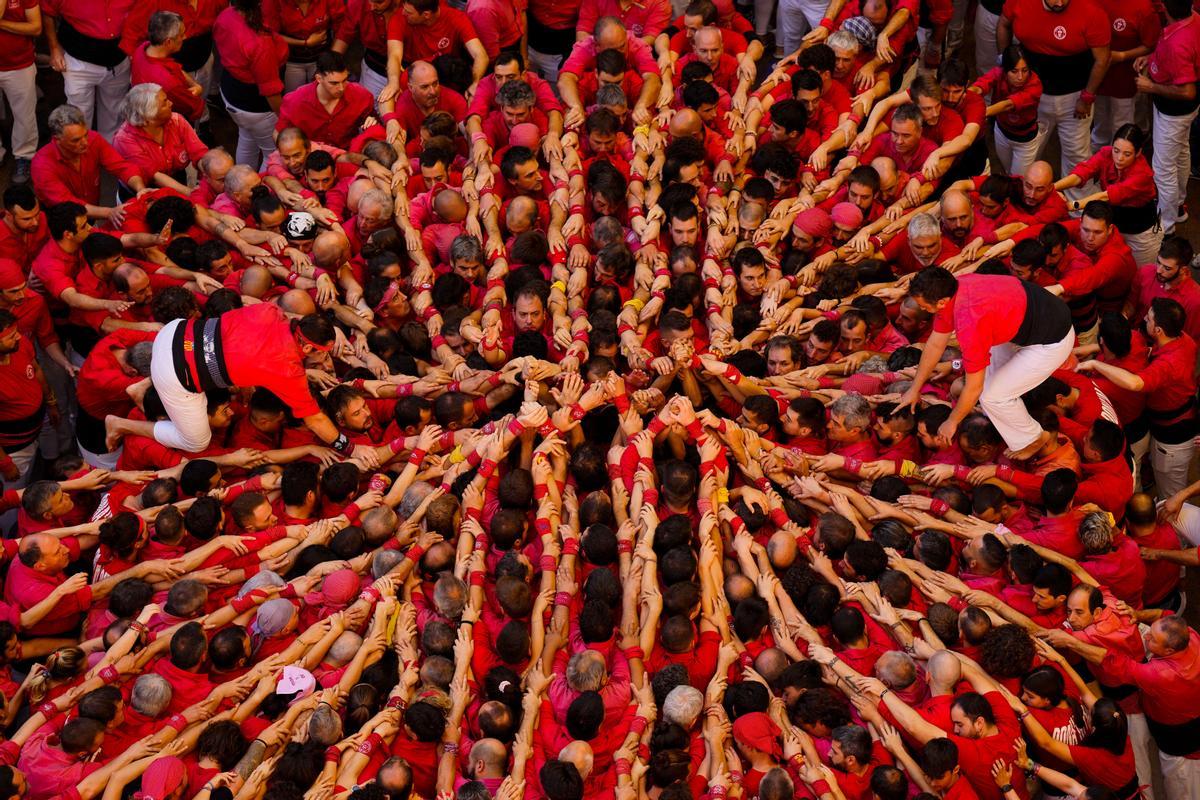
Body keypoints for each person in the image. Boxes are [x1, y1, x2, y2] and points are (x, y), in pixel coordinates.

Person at [900, 266, 1074, 459]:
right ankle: (1010, 419)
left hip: (1053, 340)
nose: (922, 309)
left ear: (941, 302)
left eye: (924, 306)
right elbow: (934, 345)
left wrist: (952, 421)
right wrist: (914, 389)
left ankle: (1033, 437)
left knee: (992, 396)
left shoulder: (970, 323)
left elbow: (974, 388)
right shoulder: (955, 286)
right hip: (1028, 318)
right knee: (988, 391)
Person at [995, 0, 1110, 200]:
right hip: (1032, 97)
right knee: (1028, 153)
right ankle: (1023, 205)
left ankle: (1077, 210)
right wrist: (1006, 63)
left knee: (1077, 156)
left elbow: (1102, 58)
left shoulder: (1092, 10)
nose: (1059, 3)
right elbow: (1004, 23)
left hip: (1074, 98)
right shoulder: (1020, 3)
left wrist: (1087, 96)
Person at [41, 0, 135, 141]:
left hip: (118, 61)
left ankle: (108, 152)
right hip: (78, 62)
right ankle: (82, 155)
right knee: (79, 114)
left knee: (115, 112)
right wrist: (54, 48)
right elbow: (47, 12)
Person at [213, 0, 289, 168]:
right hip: (256, 107)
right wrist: (286, 119)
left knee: (247, 137)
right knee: (273, 154)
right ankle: (258, 191)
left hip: (230, 93)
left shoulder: (226, 15)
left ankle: (242, 179)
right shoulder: (259, 43)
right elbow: (270, 90)